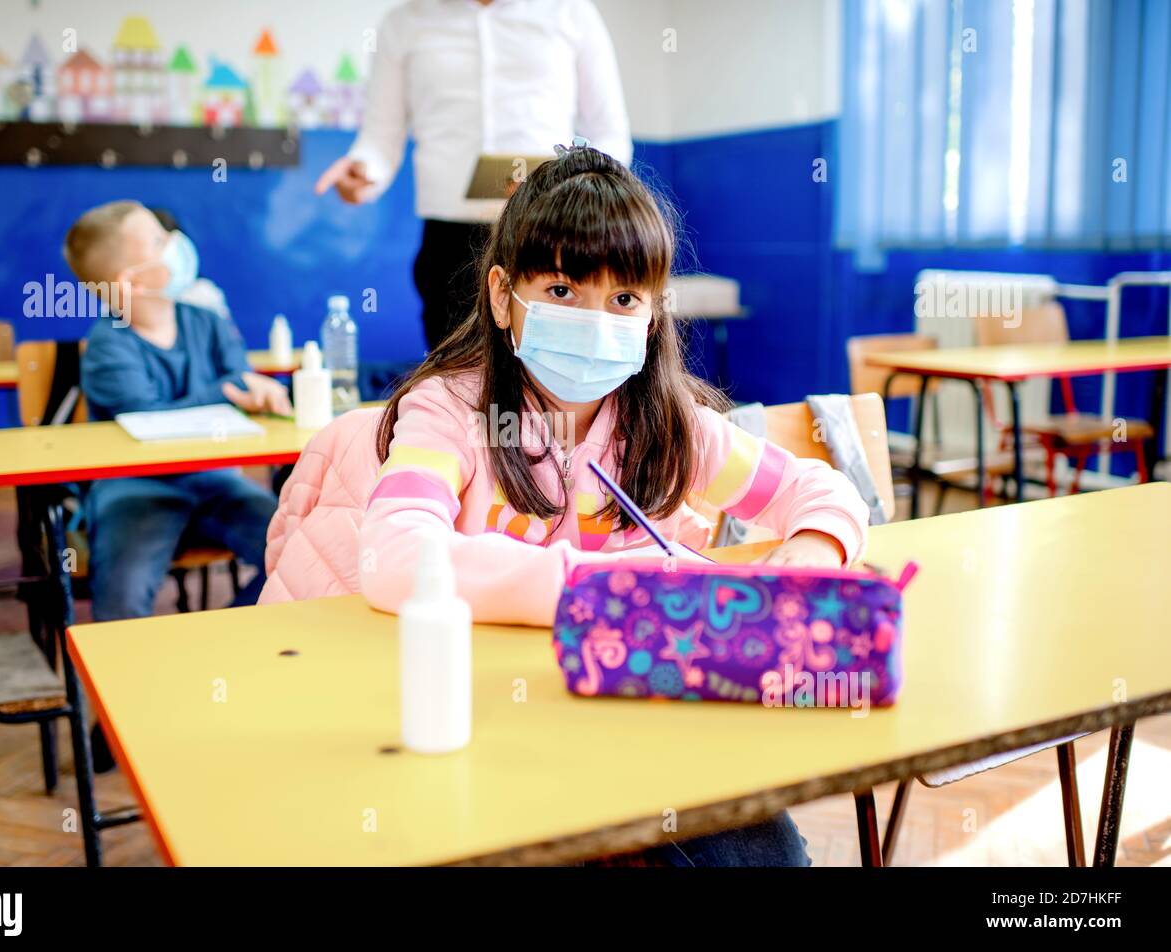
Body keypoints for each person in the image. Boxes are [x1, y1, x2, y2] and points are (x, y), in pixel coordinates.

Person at [270, 146, 870, 865]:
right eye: (561, 290)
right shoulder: (451, 412)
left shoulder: (669, 426)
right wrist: (603, 591)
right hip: (482, 718)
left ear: (652, 316)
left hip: (622, 715)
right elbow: (395, 557)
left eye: (623, 300)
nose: (595, 320)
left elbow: (820, 489)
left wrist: (813, 550)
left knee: (762, 853)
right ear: (501, 296)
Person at [314, 0, 632, 352]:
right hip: (452, 244)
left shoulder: (571, 12)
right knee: (456, 381)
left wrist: (575, 190)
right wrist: (363, 170)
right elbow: (380, 136)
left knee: (552, 372)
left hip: (551, 234)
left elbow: (610, 134)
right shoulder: (404, 22)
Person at [63, 200, 291, 623]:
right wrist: (228, 390)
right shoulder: (107, 346)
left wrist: (258, 393)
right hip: (136, 490)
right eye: (157, 241)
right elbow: (149, 421)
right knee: (122, 600)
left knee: (297, 549)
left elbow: (241, 379)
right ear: (128, 282)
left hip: (214, 480)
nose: (175, 244)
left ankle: (221, 640)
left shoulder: (206, 321)